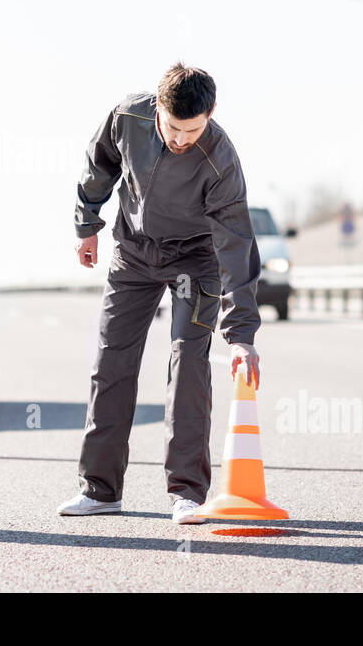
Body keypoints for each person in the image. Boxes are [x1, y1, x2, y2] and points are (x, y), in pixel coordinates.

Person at [56, 61, 262, 525]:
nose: (180, 138)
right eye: (172, 127)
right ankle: (100, 489)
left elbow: (236, 245)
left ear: (210, 114)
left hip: (195, 259)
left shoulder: (220, 158)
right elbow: (99, 163)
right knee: (111, 362)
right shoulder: (128, 115)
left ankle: (187, 492)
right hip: (132, 251)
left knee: (188, 362)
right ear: (158, 107)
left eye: (191, 130)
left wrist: (242, 334)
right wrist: (87, 226)